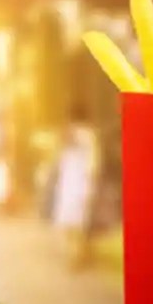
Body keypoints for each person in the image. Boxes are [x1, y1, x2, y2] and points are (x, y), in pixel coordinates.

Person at [51, 113, 99, 269]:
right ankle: (76, 255)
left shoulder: (85, 137)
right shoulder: (75, 137)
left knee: (76, 222)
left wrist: (90, 182)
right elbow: (61, 161)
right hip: (72, 184)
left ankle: (77, 256)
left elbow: (92, 163)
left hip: (77, 183)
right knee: (73, 221)